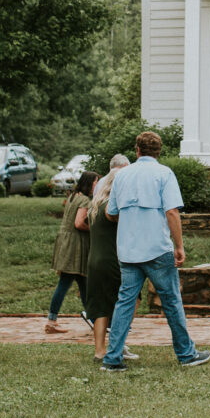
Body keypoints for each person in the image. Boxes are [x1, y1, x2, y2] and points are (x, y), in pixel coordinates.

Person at [100, 132, 210, 371]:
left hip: (128, 251)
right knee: (171, 302)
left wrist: (131, 218)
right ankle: (186, 354)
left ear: (137, 150)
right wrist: (179, 246)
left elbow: (110, 212)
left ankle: (112, 358)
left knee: (124, 303)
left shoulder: (122, 176)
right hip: (157, 249)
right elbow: (172, 212)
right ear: (159, 152)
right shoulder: (164, 174)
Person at [77, 155, 138, 363]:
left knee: (100, 306)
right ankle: (118, 344)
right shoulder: (113, 209)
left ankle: (99, 350)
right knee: (131, 299)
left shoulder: (95, 207)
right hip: (113, 259)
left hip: (94, 260)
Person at [46, 170, 97, 334]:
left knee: (84, 281)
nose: (96, 186)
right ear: (89, 183)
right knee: (66, 282)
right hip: (74, 245)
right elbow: (79, 223)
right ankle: (51, 321)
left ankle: (93, 318)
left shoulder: (73, 196)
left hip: (68, 242)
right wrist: (94, 229)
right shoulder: (83, 200)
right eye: (95, 183)